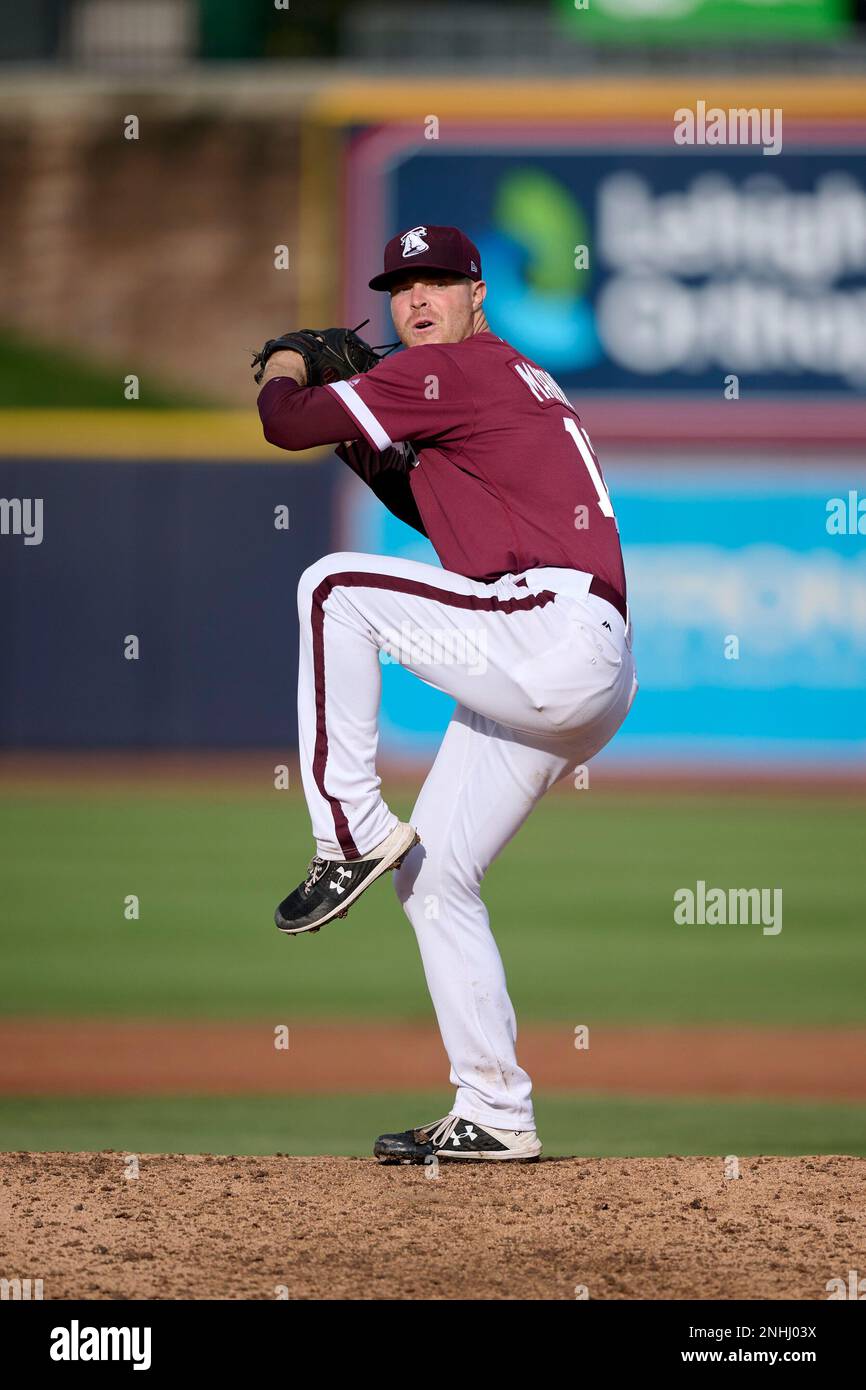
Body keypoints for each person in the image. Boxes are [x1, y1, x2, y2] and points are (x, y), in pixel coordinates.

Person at [256, 224, 637, 1164]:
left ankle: (345, 830)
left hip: (547, 623)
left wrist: (286, 365)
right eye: (401, 286)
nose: (416, 301)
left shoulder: (456, 370)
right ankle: (496, 1112)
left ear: (479, 296)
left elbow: (287, 423)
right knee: (434, 879)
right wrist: (361, 434)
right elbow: (424, 502)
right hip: (582, 666)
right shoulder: (489, 379)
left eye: (438, 282)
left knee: (333, 588)